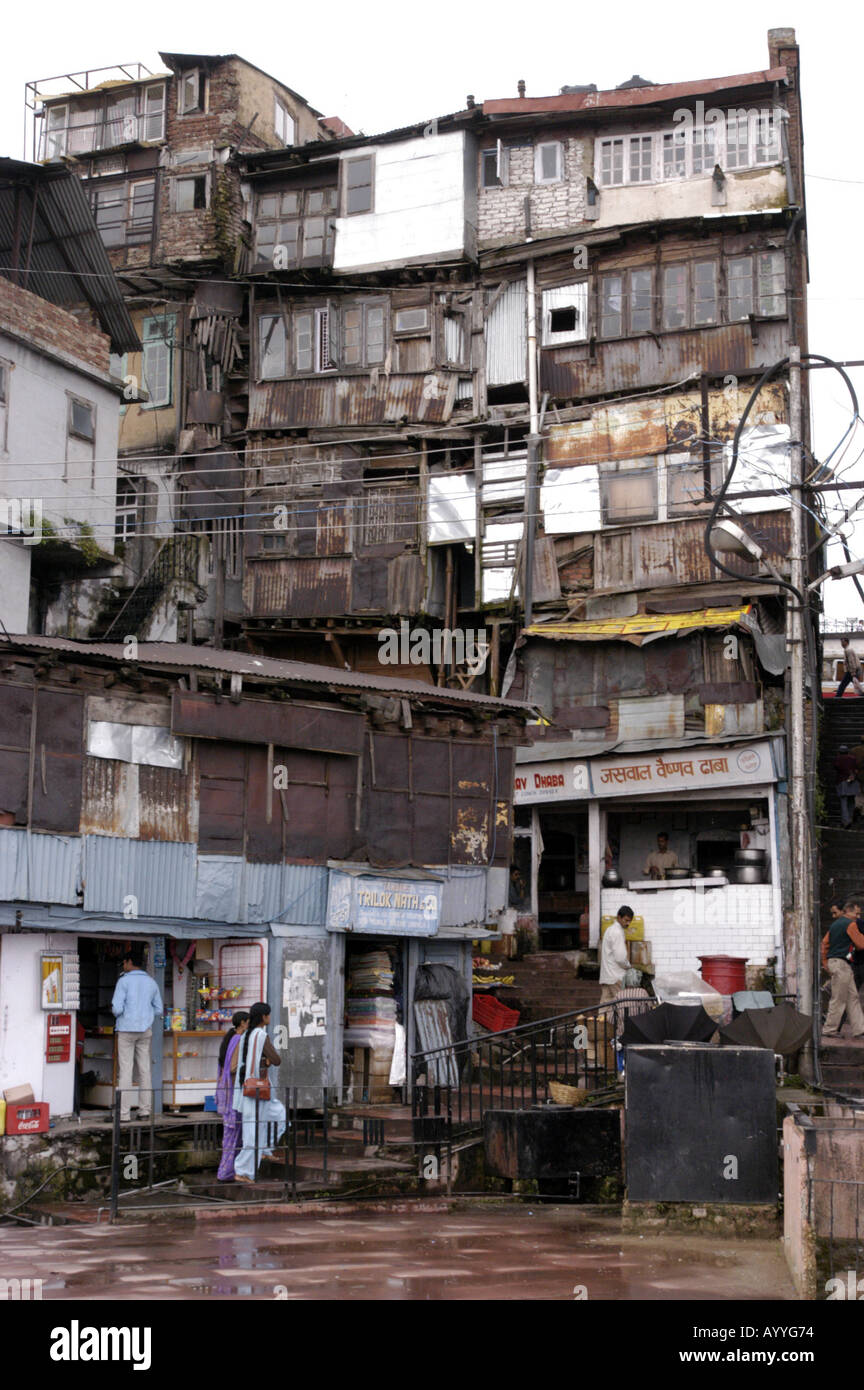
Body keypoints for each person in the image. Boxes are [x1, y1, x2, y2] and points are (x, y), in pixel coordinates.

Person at [233, 1002, 286, 1184]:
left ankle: (264, 1150)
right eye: (268, 1015)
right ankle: (242, 1171)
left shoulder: (246, 1034)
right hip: (258, 1090)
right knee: (253, 1131)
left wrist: (265, 1062)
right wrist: (269, 1061)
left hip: (248, 1088)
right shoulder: (261, 1035)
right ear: (264, 1017)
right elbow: (276, 1059)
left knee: (277, 1115)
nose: (270, 1018)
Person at [111, 946, 163, 1122]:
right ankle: (144, 1111)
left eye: (124, 962)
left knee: (125, 1071)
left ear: (130, 962)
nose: (123, 965)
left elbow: (116, 1008)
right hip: (145, 1030)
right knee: (144, 1070)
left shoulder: (123, 981)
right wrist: (145, 1015)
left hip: (126, 1029)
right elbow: (159, 1009)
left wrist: (124, 1013)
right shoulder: (151, 982)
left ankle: (124, 1114)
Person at [821, 901, 864, 1038]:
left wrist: (825, 962)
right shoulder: (850, 924)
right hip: (842, 964)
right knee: (839, 998)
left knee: (853, 997)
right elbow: (861, 944)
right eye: (856, 913)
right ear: (848, 912)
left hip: (836, 962)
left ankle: (860, 1030)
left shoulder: (834, 925)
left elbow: (825, 943)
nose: (857, 916)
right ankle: (829, 1030)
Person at [216, 1011, 249, 1181]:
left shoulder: (229, 1038)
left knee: (230, 1133)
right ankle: (227, 1172)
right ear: (243, 1023)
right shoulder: (239, 1040)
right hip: (234, 1093)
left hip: (227, 1092)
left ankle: (227, 1171)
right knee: (235, 1133)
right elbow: (234, 1067)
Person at [600, 906, 633, 1004]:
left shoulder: (609, 930)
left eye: (629, 921)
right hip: (616, 976)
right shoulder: (617, 932)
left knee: (605, 1009)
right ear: (619, 917)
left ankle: (602, 1020)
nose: (628, 923)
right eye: (626, 920)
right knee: (622, 1006)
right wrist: (629, 966)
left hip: (606, 976)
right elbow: (620, 958)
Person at [613, 967, 653, 1038]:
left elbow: (611, 1018)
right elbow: (650, 1011)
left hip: (623, 1033)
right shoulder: (642, 992)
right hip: (640, 1032)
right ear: (638, 980)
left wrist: (620, 1022)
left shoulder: (619, 995)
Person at [833, 746, 860, 829]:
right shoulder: (853, 759)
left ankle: (846, 821)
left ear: (839, 752)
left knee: (843, 801)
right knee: (851, 801)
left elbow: (836, 767)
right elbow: (856, 767)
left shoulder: (838, 759)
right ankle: (850, 819)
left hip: (842, 781)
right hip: (853, 781)